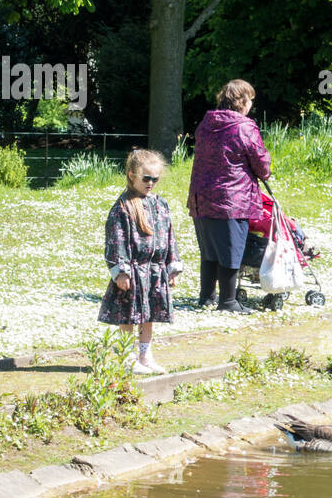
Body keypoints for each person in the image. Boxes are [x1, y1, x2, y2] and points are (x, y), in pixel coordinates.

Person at [186, 79, 271, 313]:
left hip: (201, 197)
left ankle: (206, 298)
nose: (251, 104)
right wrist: (266, 171)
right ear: (242, 101)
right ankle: (228, 301)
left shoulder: (206, 123)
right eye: (250, 99)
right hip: (232, 198)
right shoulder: (244, 126)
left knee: (209, 250)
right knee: (231, 251)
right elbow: (261, 162)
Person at [99, 149, 182, 374]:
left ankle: (146, 355)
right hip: (133, 271)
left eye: (155, 179)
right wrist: (121, 271)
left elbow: (169, 236)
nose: (151, 183)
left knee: (149, 315)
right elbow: (116, 240)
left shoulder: (160, 204)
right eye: (146, 178)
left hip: (155, 271)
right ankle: (127, 357)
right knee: (129, 315)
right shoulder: (123, 207)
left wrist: (172, 267)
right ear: (131, 175)